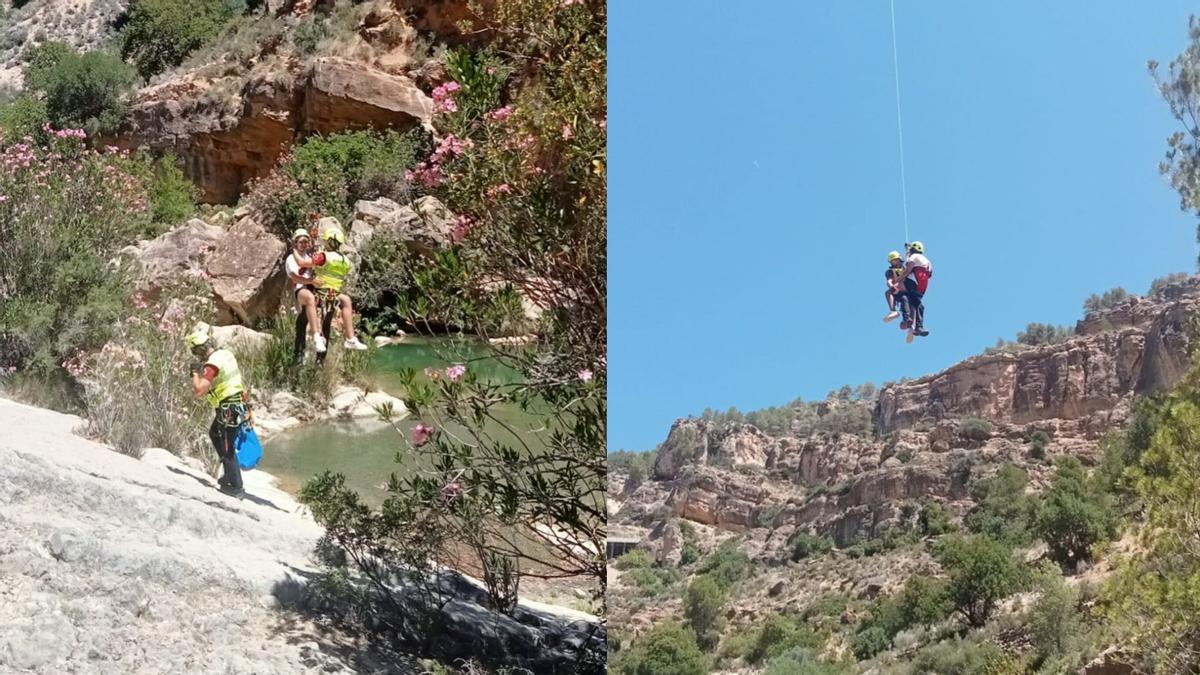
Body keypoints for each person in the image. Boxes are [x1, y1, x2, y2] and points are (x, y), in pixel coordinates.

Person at [185, 323, 248, 497]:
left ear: (198, 350)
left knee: (227, 446)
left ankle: (236, 486)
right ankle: (229, 474)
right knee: (215, 434)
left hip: (228, 408)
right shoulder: (225, 354)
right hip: (236, 405)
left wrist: (194, 373)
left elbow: (199, 390)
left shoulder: (211, 365)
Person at [310, 223, 369, 352]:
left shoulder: (323, 256)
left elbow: (312, 263)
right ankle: (349, 337)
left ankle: (349, 339)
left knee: (331, 307)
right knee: (346, 300)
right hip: (331, 291)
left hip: (322, 290)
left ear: (329, 242)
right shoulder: (345, 260)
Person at [285, 228, 325, 362]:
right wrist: (311, 281)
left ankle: (303, 356)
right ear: (295, 243)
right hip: (300, 290)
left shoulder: (309, 258)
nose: (303, 244)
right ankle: (316, 335)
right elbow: (295, 278)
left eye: (305, 242)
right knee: (308, 297)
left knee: (304, 322)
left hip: (312, 290)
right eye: (301, 242)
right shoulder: (291, 258)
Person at [895, 240, 933, 342]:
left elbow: (908, 269)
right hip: (921, 287)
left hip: (913, 283)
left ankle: (909, 322)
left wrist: (899, 279)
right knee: (918, 306)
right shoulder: (927, 261)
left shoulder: (914, 257)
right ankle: (916, 326)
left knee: (913, 303)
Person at [883, 250, 910, 325]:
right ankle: (893, 311)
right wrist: (891, 286)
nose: (894, 263)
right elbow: (889, 280)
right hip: (897, 292)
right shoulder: (890, 271)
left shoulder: (906, 268)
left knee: (909, 303)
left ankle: (910, 323)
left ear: (899, 259)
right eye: (892, 261)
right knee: (888, 293)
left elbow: (908, 259)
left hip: (908, 291)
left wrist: (908, 250)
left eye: (895, 260)